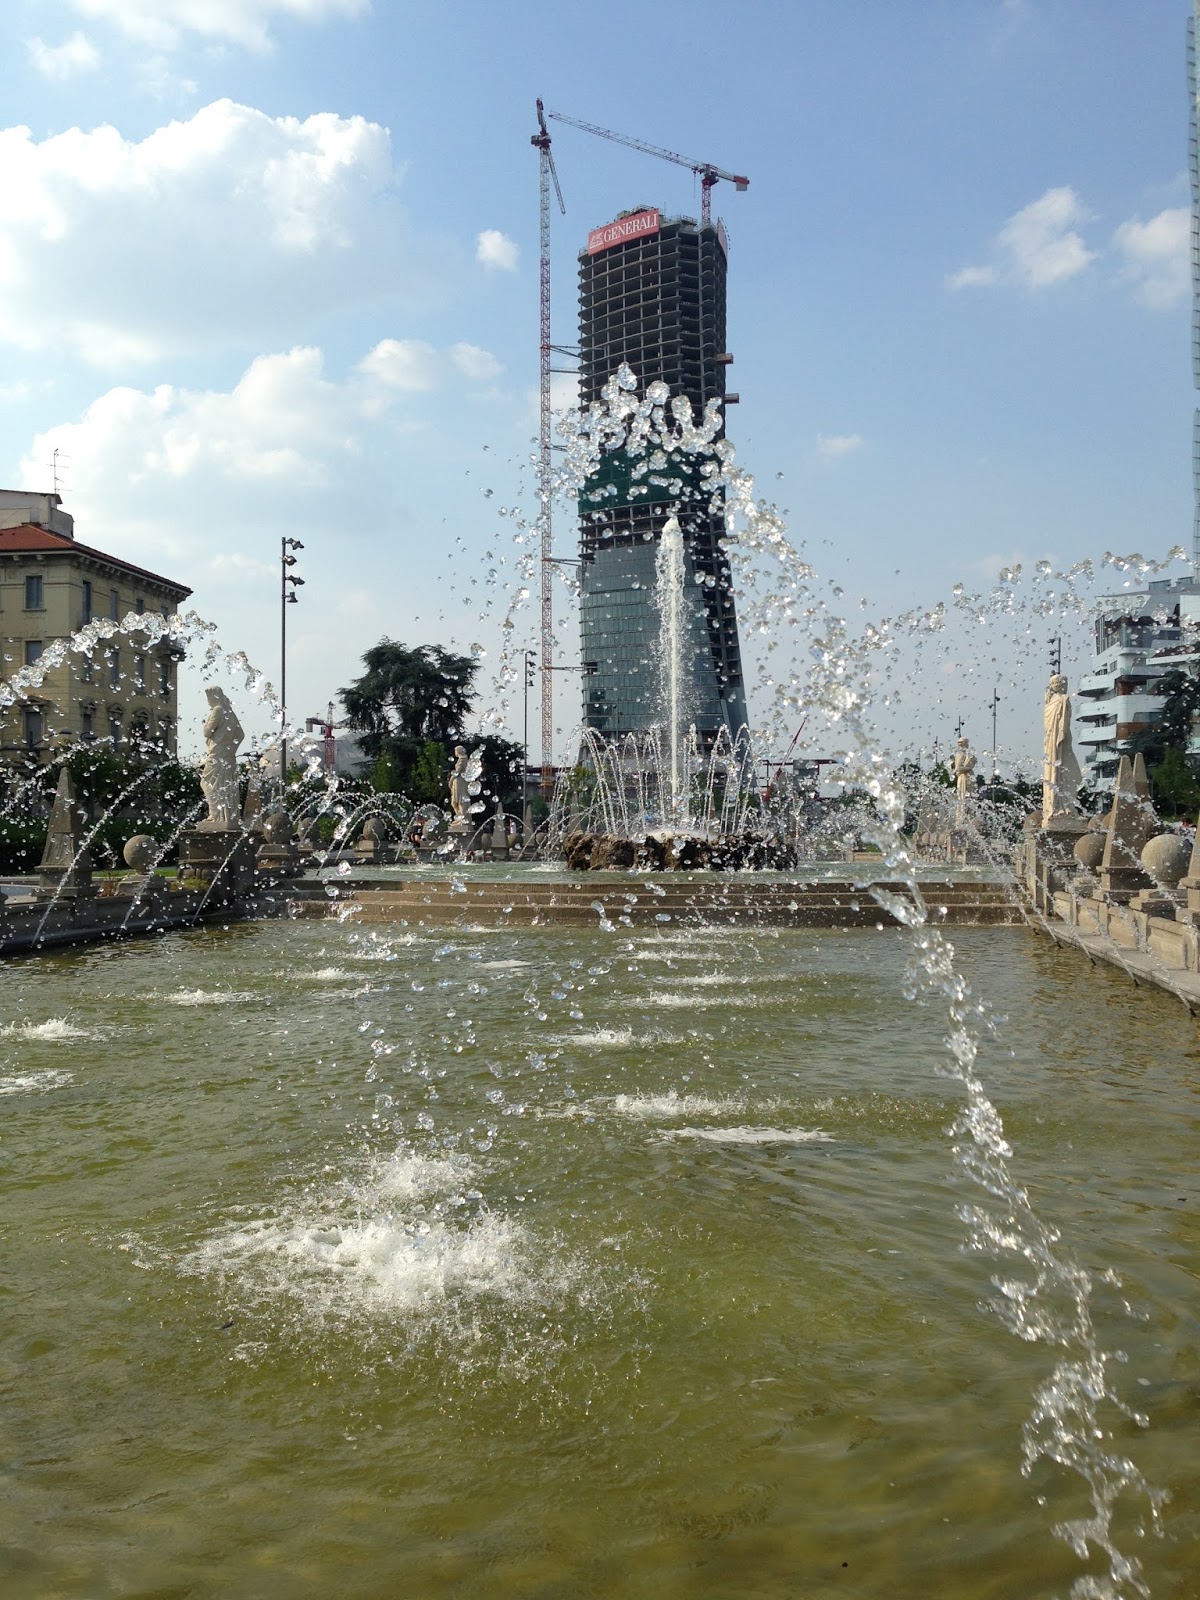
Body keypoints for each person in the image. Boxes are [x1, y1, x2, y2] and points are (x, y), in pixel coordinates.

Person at [198, 686, 243, 831]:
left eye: (208, 698)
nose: (207, 702)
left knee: (207, 783)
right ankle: (227, 817)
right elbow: (241, 734)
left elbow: (206, 732)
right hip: (228, 756)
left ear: (214, 697)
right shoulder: (230, 712)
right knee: (226, 785)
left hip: (217, 754)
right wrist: (231, 749)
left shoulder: (217, 710)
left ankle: (215, 816)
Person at [1042, 673, 1081, 825]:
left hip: (1053, 742)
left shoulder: (1053, 701)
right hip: (1057, 742)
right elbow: (1062, 725)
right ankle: (1060, 808)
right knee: (1062, 770)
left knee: (1059, 771)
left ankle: (1060, 806)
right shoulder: (1062, 700)